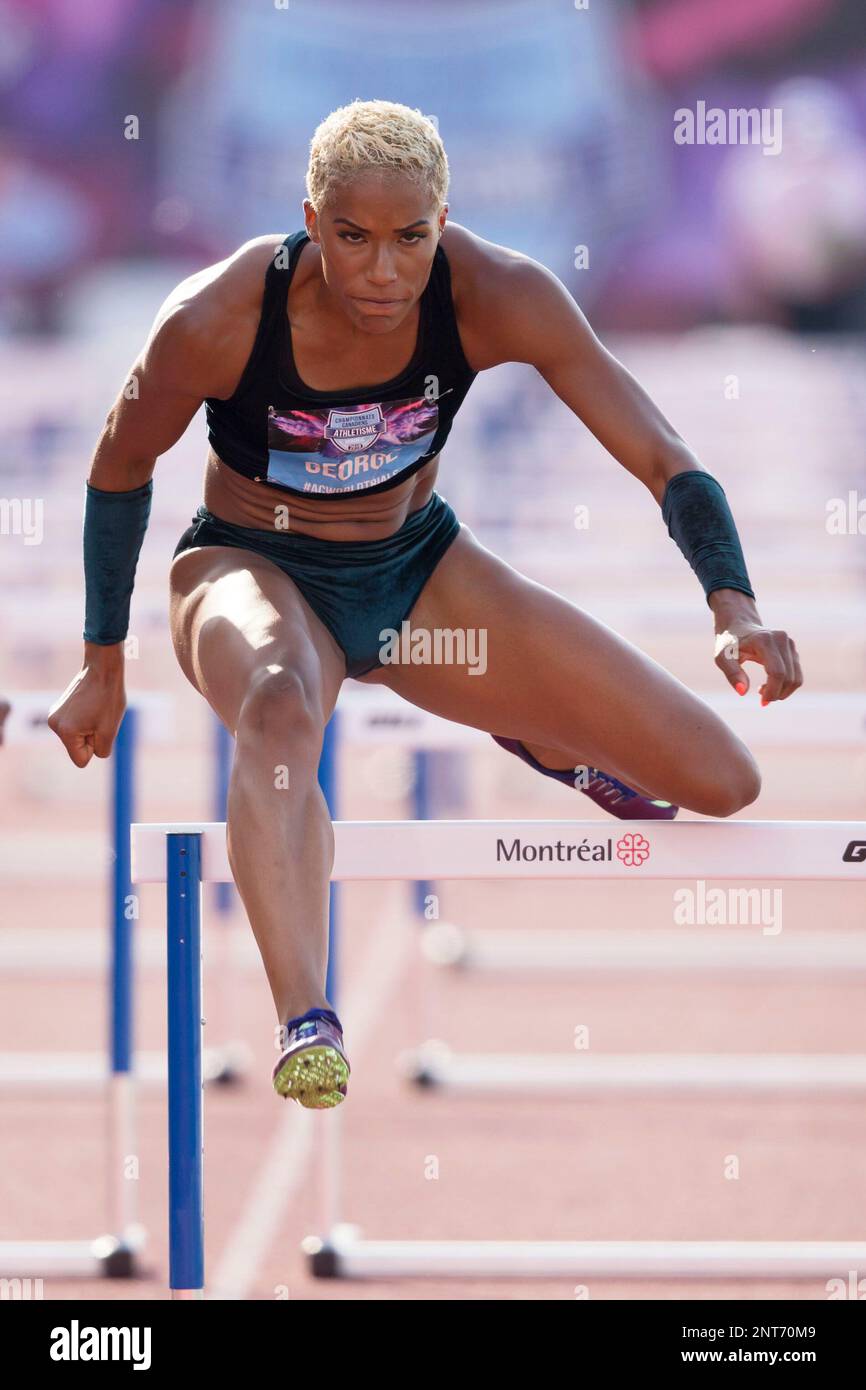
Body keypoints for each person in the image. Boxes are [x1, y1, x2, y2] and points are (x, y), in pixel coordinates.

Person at [48, 99, 801, 1109]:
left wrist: (733, 605)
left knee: (719, 780)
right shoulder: (215, 318)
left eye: (410, 239)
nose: (383, 271)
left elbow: (663, 456)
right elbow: (120, 463)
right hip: (247, 567)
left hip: (416, 579)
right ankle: (305, 1017)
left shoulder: (497, 295)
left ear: (441, 222)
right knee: (277, 700)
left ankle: (541, 734)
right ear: (309, 221)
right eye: (352, 238)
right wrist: (102, 662)